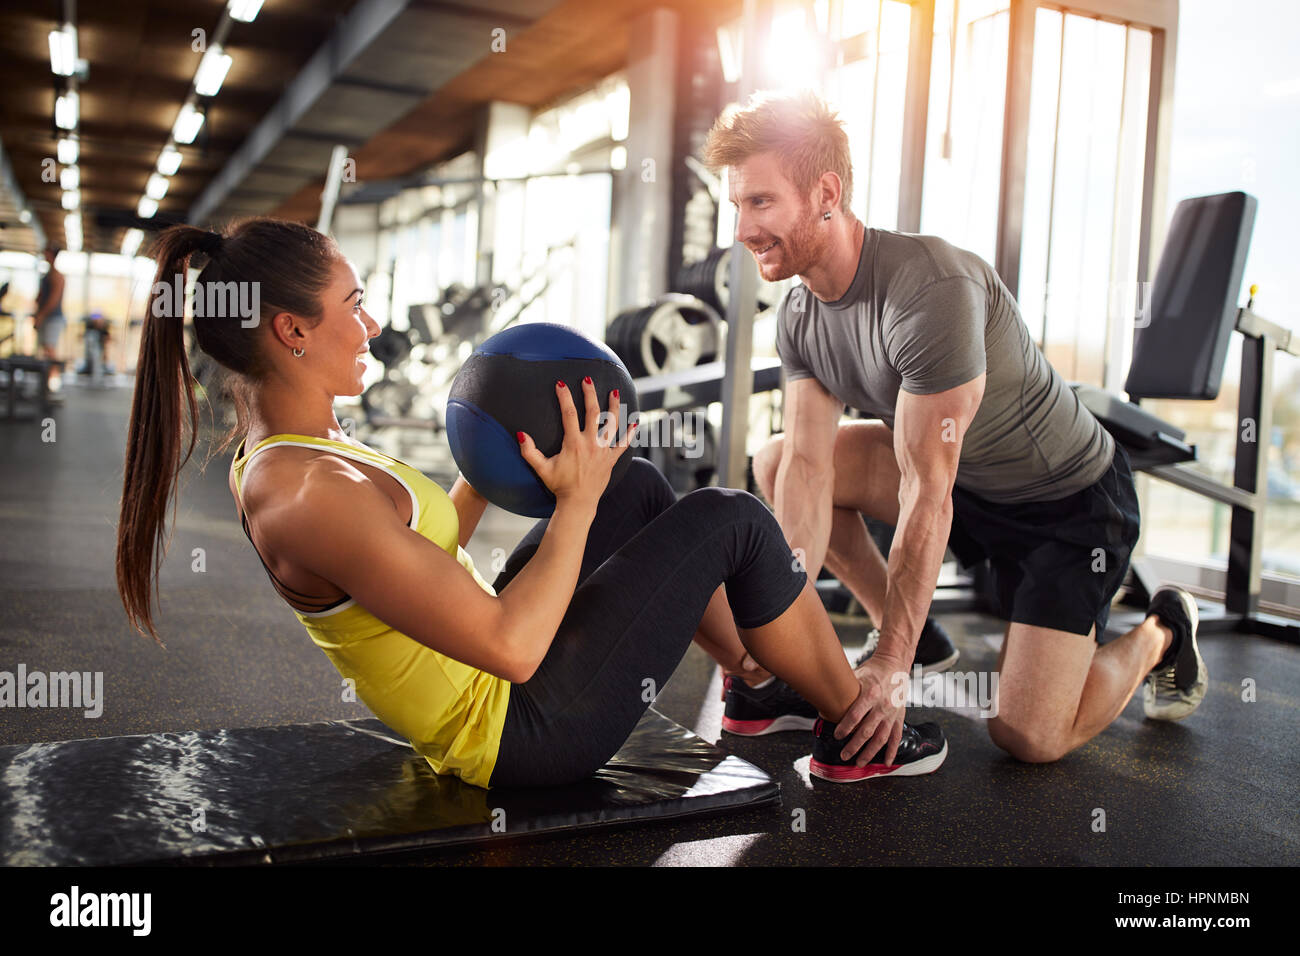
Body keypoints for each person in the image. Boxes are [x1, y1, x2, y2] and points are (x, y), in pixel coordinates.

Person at [113, 218, 949, 788]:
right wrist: (572, 505)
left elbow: (414, 557)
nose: (371, 328)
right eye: (353, 306)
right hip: (520, 731)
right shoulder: (304, 494)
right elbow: (511, 648)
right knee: (731, 516)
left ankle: (757, 679)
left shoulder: (301, 446)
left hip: (499, 678)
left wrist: (496, 457)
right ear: (291, 332)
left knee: (635, 485)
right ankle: (860, 726)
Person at [701, 90, 1207, 765]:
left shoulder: (928, 289)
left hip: (1069, 507)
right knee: (777, 459)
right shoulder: (799, 316)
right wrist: (788, 641)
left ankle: (1164, 631)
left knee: (1029, 736)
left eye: (759, 202)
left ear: (826, 191)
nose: (742, 229)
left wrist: (888, 668)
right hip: (967, 492)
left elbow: (925, 492)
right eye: (736, 205)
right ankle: (916, 632)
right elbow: (809, 470)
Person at [31, 243, 66, 400]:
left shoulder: (57, 276)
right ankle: (44, 386)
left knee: (50, 350)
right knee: (44, 351)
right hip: (45, 317)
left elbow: (52, 301)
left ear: (52, 255)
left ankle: (54, 384)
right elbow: (41, 297)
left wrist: (41, 315)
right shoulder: (46, 275)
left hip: (53, 318)